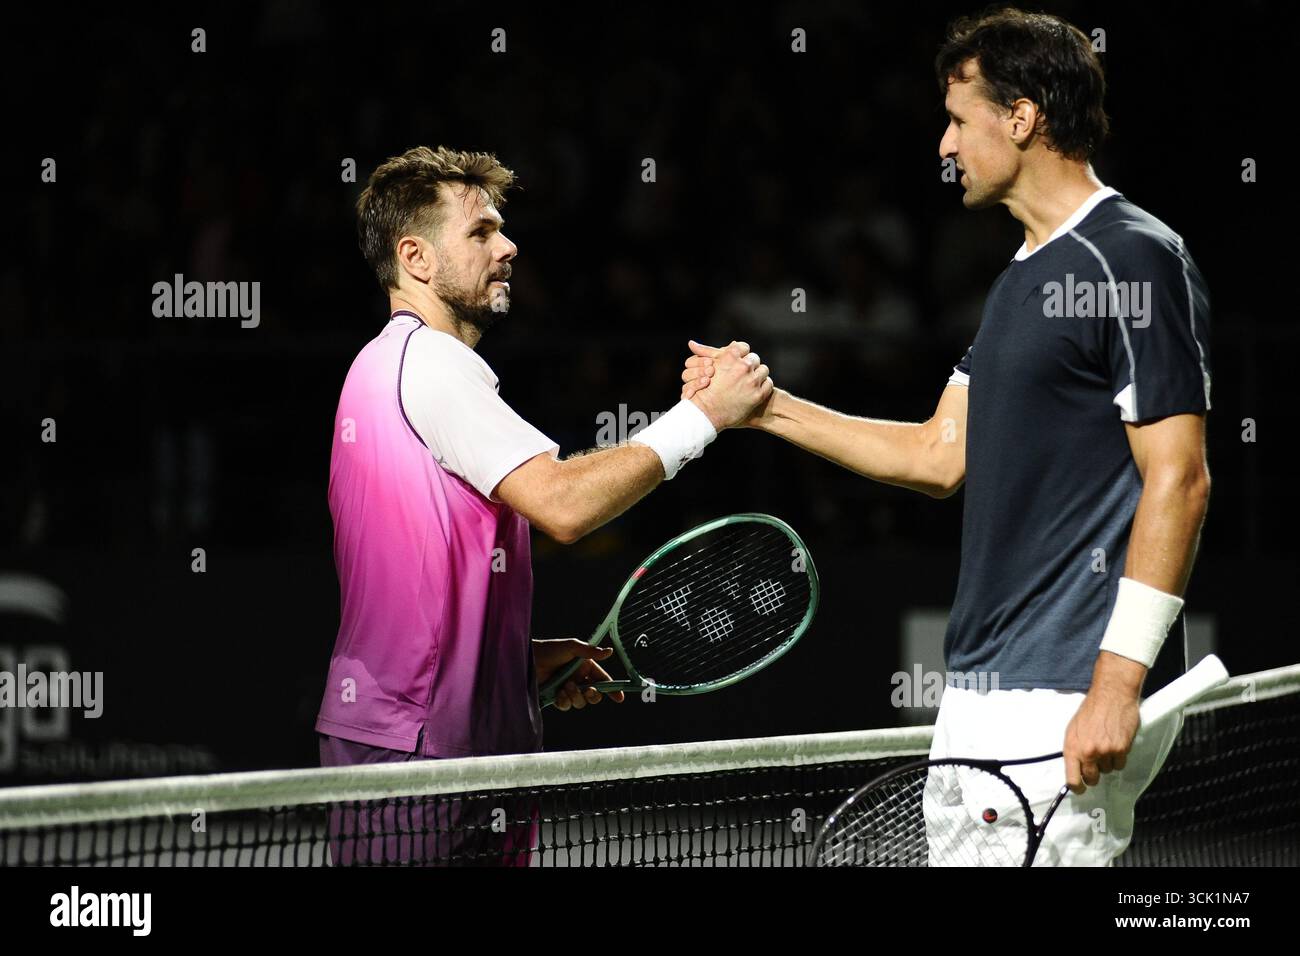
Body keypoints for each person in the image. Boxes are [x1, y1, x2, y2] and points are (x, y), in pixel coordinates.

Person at [683, 8, 1211, 865]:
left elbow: (1180, 479)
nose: (943, 144)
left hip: (1061, 693)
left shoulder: (1135, 257)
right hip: (978, 694)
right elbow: (938, 455)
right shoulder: (1018, 281)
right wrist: (765, 407)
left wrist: (1116, 686)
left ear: (1023, 114)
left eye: (959, 119)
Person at [316, 145, 772, 864]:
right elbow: (561, 504)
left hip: (418, 740)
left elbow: (407, 595)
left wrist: (506, 666)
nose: (509, 245)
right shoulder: (433, 364)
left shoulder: (381, 367)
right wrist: (704, 418)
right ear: (417, 257)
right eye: (481, 231)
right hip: (427, 762)